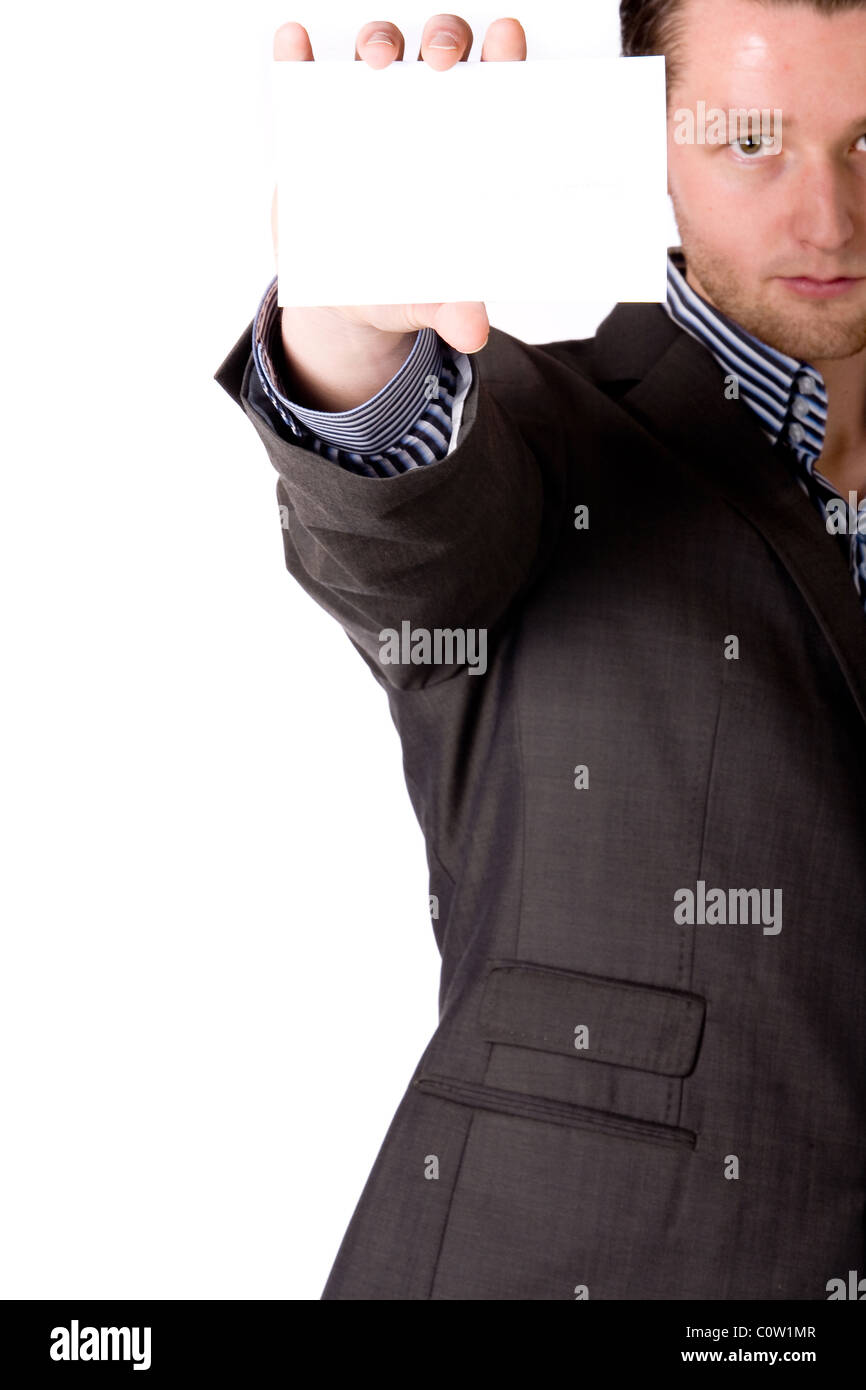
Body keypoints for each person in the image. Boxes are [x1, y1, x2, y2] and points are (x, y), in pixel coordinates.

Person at [213, 1, 866, 1299]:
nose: (828, 219)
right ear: (646, 140)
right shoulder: (533, 430)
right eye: (749, 140)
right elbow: (404, 540)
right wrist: (351, 331)